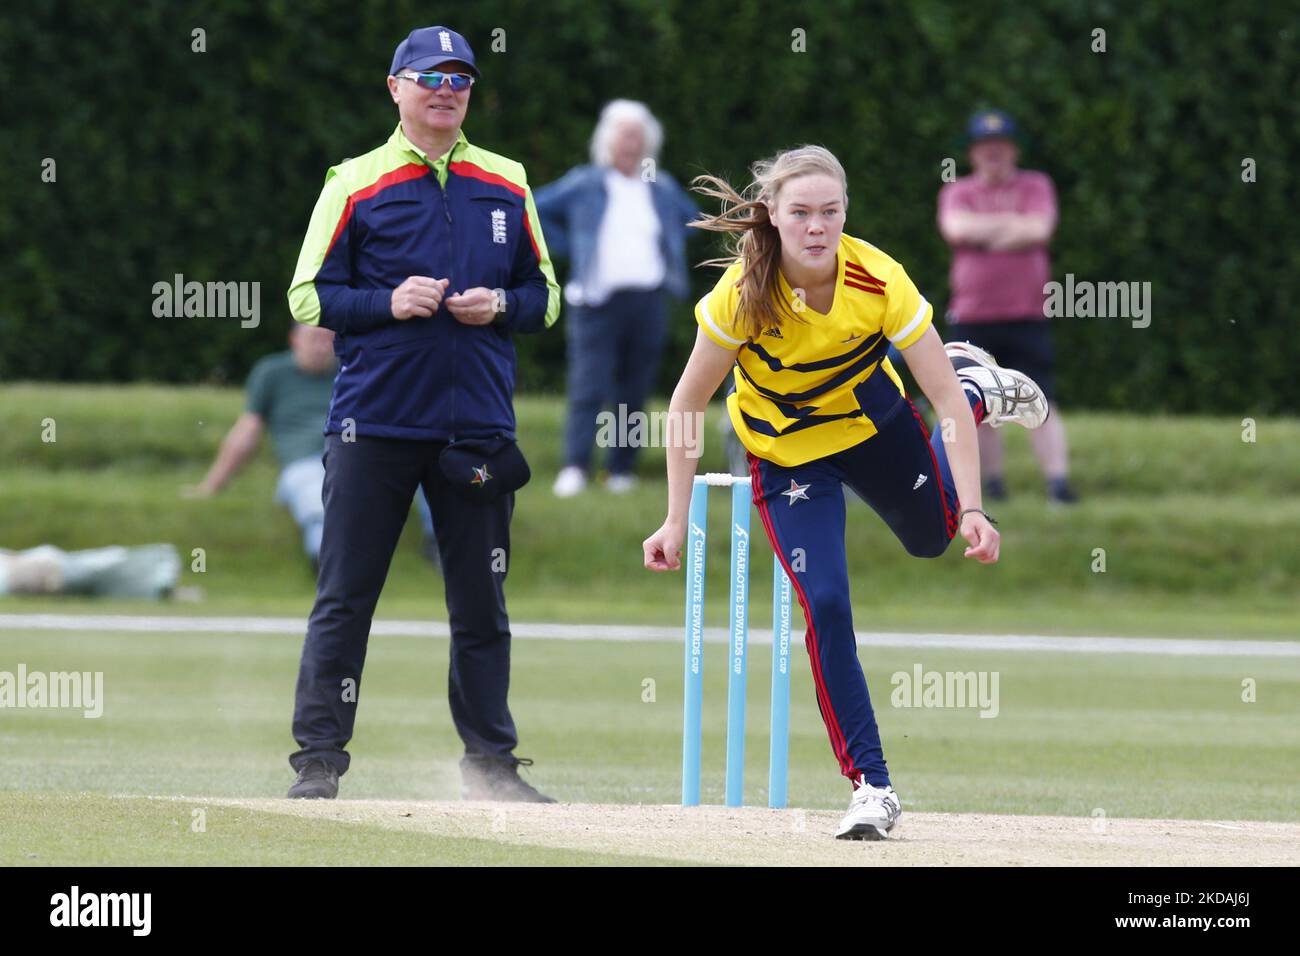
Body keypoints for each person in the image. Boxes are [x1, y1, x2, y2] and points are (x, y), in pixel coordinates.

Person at [642, 145, 1050, 840]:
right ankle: (872, 786)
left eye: (830, 212)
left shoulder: (879, 277)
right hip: (785, 459)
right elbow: (685, 404)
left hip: (875, 426)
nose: (816, 227)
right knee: (825, 603)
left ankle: (986, 384)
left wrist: (977, 507)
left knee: (933, 539)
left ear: (845, 215)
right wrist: (676, 518)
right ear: (771, 215)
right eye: (800, 213)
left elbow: (941, 402)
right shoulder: (743, 295)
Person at [283, 26, 560, 802]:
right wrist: (388, 302)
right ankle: (318, 764)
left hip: (475, 428)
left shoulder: (507, 181)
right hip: (372, 424)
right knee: (346, 598)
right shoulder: (355, 181)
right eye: (430, 75)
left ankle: (492, 769)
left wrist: (501, 303)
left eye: (460, 78)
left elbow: (547, 298)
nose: (446, 88)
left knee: (481, 603)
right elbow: (308, 294)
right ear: (395, 87)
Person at [534, 100, 699, 497]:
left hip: (647, 301)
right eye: (623, 136)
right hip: (595, 302)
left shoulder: (659, 186)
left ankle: (620, 469)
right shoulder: (585, 182)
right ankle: (575, 465)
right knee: (589, 385)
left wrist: (668, 251)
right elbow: (533, 209)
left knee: (634, 387)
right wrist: (570, 245)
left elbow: (692, 220)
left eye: (637, 137)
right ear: (607, 140)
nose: (630, 144)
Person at [186, 322, 439, 570]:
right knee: (316, 495)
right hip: (306, 462)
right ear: (294, 339)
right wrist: (211, 486)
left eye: (326, 339)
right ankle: (325, 560)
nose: (320, 347)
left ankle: (436, 543)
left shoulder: (354, 369)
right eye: (313, 338)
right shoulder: (272, 373)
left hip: (359, 456)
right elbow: (246, 431)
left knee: (423, 463)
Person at [938, 109, 1077, 504]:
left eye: (1000, 146)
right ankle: (990, 485)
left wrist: (983, 233)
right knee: (974, 402)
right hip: (972, 316)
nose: (993, 154)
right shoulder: (957, 191)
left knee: (1042, 398)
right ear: (973, 153)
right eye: (985, 147)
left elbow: (1040, 230)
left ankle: (1058, 484)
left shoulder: (1036, 185)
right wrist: (1012, 228)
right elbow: (956, 230)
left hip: (1026, 314)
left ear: (1014, 149)